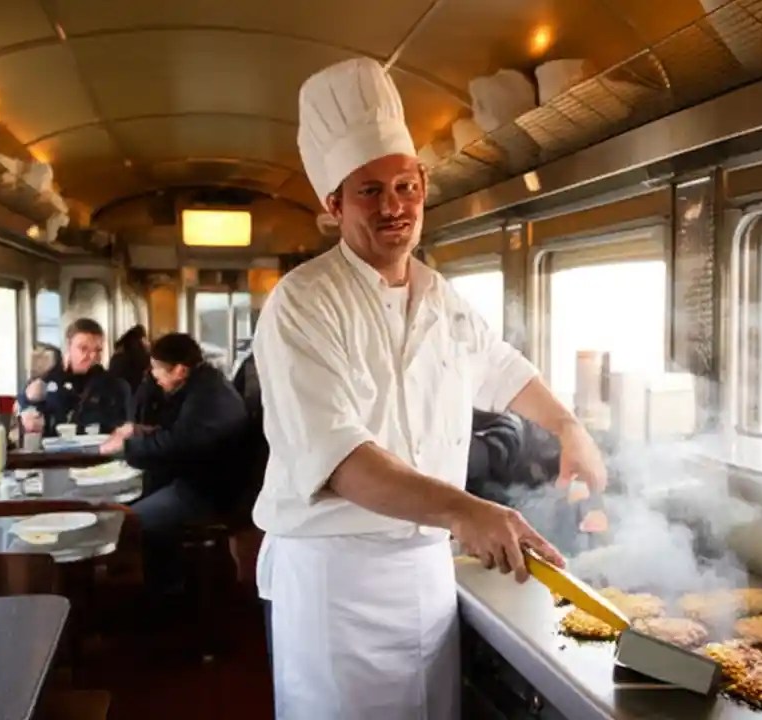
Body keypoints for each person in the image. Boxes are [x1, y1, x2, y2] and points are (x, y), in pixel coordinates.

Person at [252, 57, 608, 720]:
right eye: (369, 191)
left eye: (405, 186)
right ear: (334, 205)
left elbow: (504, 369)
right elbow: (341, 459)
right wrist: (468, 512)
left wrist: (569, 427)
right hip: (337, 581)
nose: (393, 207)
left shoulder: (440, 296)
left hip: (425, 569)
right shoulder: (303, 303)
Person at [99, 333, 248, 598]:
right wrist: (141, 431)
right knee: (133, 503)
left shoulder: (209, 397)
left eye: (157, 369)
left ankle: (164, 595)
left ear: (179, 370)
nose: (153, 376)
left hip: (208, 491)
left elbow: (181, 443)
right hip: (201, 479)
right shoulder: (203, 386)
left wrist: (128, 447)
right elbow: (179, 433)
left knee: (130, 521)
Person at [18, 318, 131, 437]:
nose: (93, 356)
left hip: (97, 447)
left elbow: (122, 429)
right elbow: (25, 417)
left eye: (98, 350)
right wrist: (28, 410)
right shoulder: (45, 384)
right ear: (69, 346)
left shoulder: (115, 387)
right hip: (53, 447)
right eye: (84, 349)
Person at [108, 324, 150, 393]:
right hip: (130, 389)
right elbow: (145, 364)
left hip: (116, 390)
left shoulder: (120, 351)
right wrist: (148, 349)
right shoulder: (136, 350)